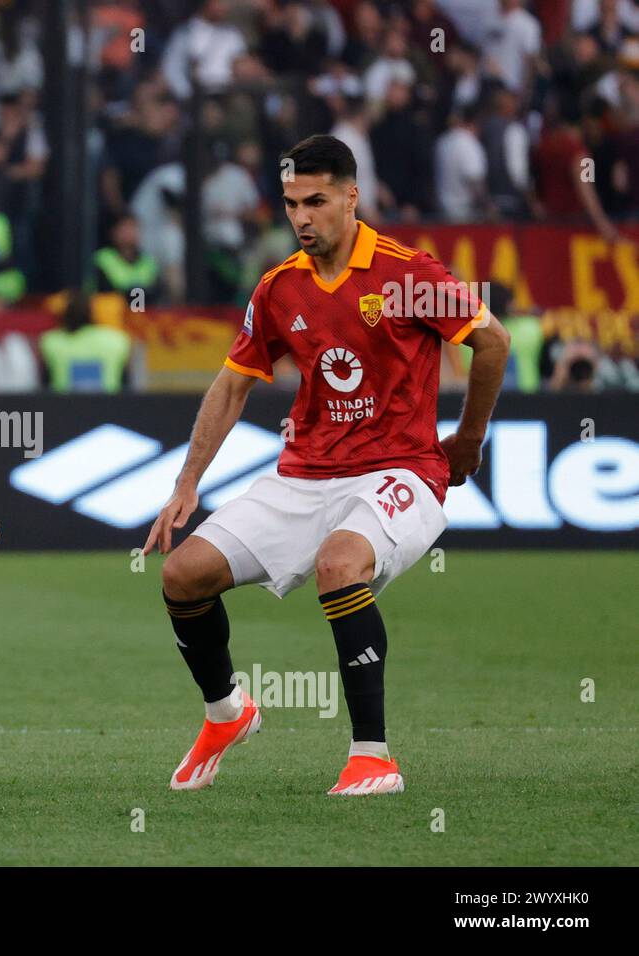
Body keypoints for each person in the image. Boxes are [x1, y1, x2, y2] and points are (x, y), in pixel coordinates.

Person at [143, 135, 510, 797]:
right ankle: (226, 713)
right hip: (305, 475)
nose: (302, 217)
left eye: (316, 201)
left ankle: (373, 756)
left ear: (351, 197)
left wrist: (470, 440)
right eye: (290, 203)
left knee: (341, 565)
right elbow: (231, 385)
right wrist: (186, 482)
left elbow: (492, 340)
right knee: (181, 575)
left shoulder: (407, 275)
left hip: (402, 471)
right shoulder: (280, 288)